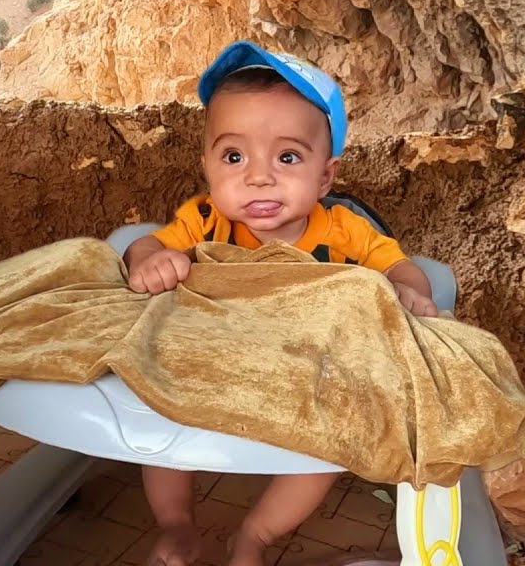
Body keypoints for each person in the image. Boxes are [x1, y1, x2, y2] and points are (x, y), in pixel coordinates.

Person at [122, 41, 437, 566]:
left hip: (303, 372)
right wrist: (149, 260)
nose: (259, 176)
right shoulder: (205, 221)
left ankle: (257, 535)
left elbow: (399, 266)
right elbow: (147, 245)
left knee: (333, 441)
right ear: (207, 166)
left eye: (287, 157)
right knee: (156, 410)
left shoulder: (343, 229)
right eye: (233, 156)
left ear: (326, 175)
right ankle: (176, 525)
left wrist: (409, 291)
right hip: (216, 360)